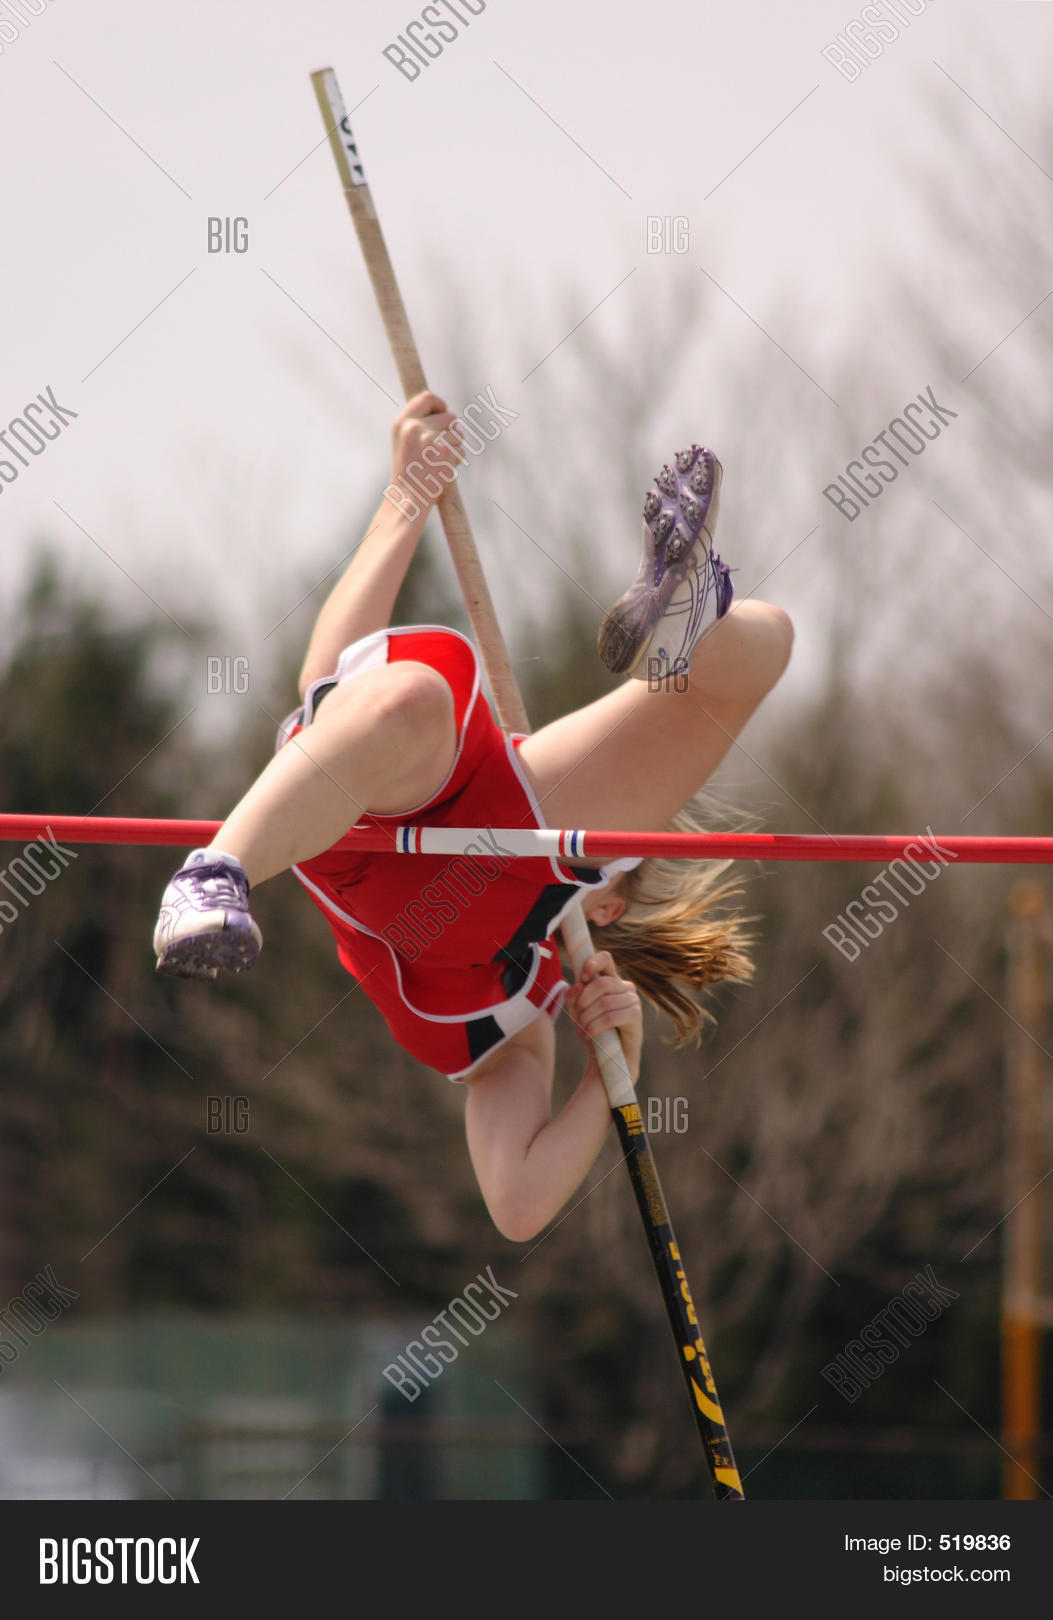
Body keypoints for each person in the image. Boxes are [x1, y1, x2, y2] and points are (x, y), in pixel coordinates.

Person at [152, 394, 793, 1239]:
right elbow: (324, 686)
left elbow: (518, 1205)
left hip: (397, 857)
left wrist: (611, 1076)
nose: (622, 843)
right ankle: (212, 872)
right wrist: (406, 497)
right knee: (415, 693)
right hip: (439, 784)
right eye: (627, 846)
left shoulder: (515, 1015)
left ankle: (697, 628)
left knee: (408, 711)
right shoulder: (519, 805)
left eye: (614, 868)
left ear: (605, 909)